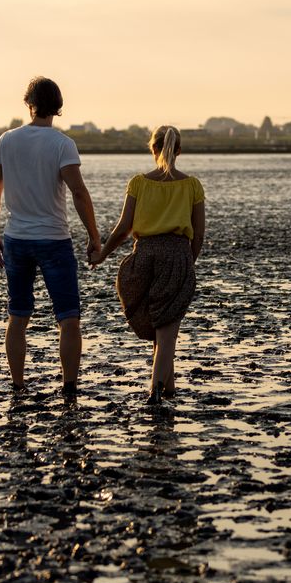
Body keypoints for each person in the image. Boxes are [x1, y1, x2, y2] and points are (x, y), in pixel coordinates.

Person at [0, 76, 101, 396]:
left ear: (29, 103)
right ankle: (69, 387)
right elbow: (79, 193)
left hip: (16, 239)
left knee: (18, 315)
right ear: (58, 106)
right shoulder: (62, 144)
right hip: (54, 240)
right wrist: (94, 236)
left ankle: (18, 384)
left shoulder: (6, 140)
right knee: (68, 318)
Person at [90, 126, 205, 405]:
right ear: (179, 150)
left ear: (153, 149)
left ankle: (169, 389)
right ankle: (156, 391)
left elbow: (123, 229)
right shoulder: (192, 186)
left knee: (161, 328)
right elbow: (199, 234)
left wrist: (102, 254)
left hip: (144, 255)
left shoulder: (139, 183)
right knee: (167, 329)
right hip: (177, 254)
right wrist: (188, 262)